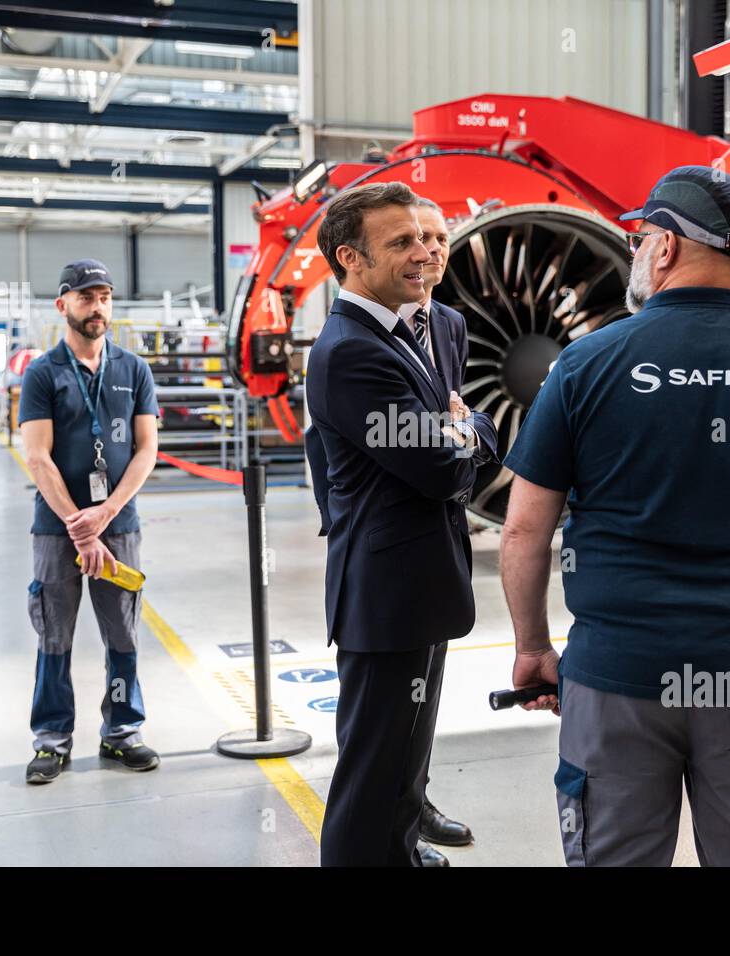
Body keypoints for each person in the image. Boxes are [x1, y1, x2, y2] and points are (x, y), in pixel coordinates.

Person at [499, 166, 730, 866]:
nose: (639, 252)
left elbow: (525, 529)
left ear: (667, 248)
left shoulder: (585, 365)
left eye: (643, 237)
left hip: (617, 673)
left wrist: (533, 648)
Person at [305, 182, 497, 866]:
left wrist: (460, 430)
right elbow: (444, 468)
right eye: (404, 242)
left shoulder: (440, 322)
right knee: (374, 760)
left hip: (432, 570)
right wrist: (471, 431)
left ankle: (401, 848)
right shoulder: (346, 352)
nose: (428, 253)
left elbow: (454, 433)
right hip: (384, 585)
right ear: (350, 258)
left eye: (433, 237)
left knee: (410, 744)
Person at [18, 259, 162, 784]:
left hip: (119, 524)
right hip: (56, 529)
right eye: (85, 297)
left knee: (122, 632)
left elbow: (146, 450)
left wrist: (106, 513)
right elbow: (37, 456)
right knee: (54, 634)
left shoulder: (133, 370)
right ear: (63, 306)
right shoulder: (43, 373)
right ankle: (51, 740)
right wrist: (79, 524)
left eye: (103, 296)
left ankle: (122, 732)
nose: (97, 306)